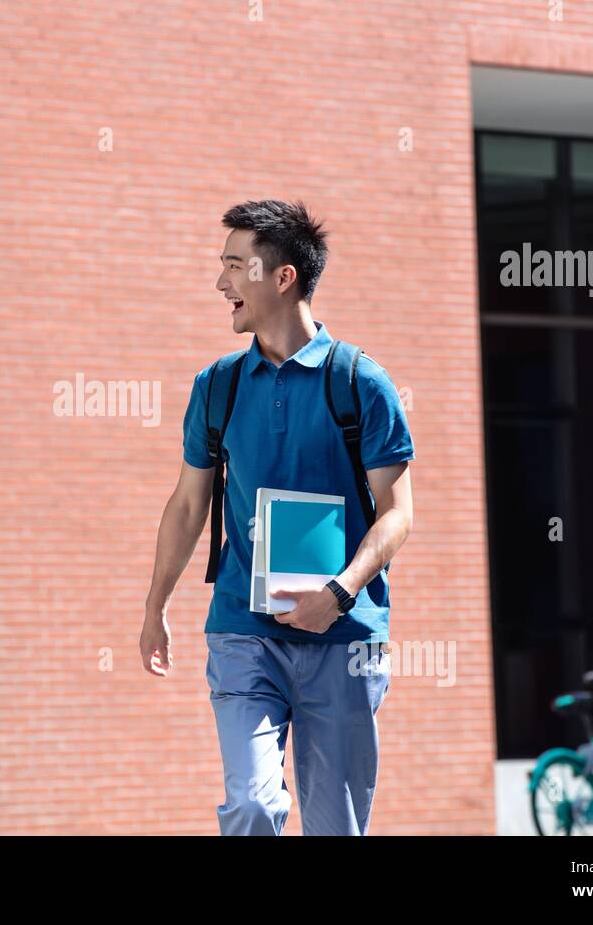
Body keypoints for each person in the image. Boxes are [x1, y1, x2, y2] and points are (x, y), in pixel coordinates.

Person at [139, 199, 414, 835]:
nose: (221, 283)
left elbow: (398, 514)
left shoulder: (360, 382)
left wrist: (338, 594)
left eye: (236, 266)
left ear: (282, 277)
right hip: (242, 630)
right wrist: (155, 607)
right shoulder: (218, 386)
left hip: (343, 639)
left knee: (333, 828)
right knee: (253, 806)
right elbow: (188, 505)